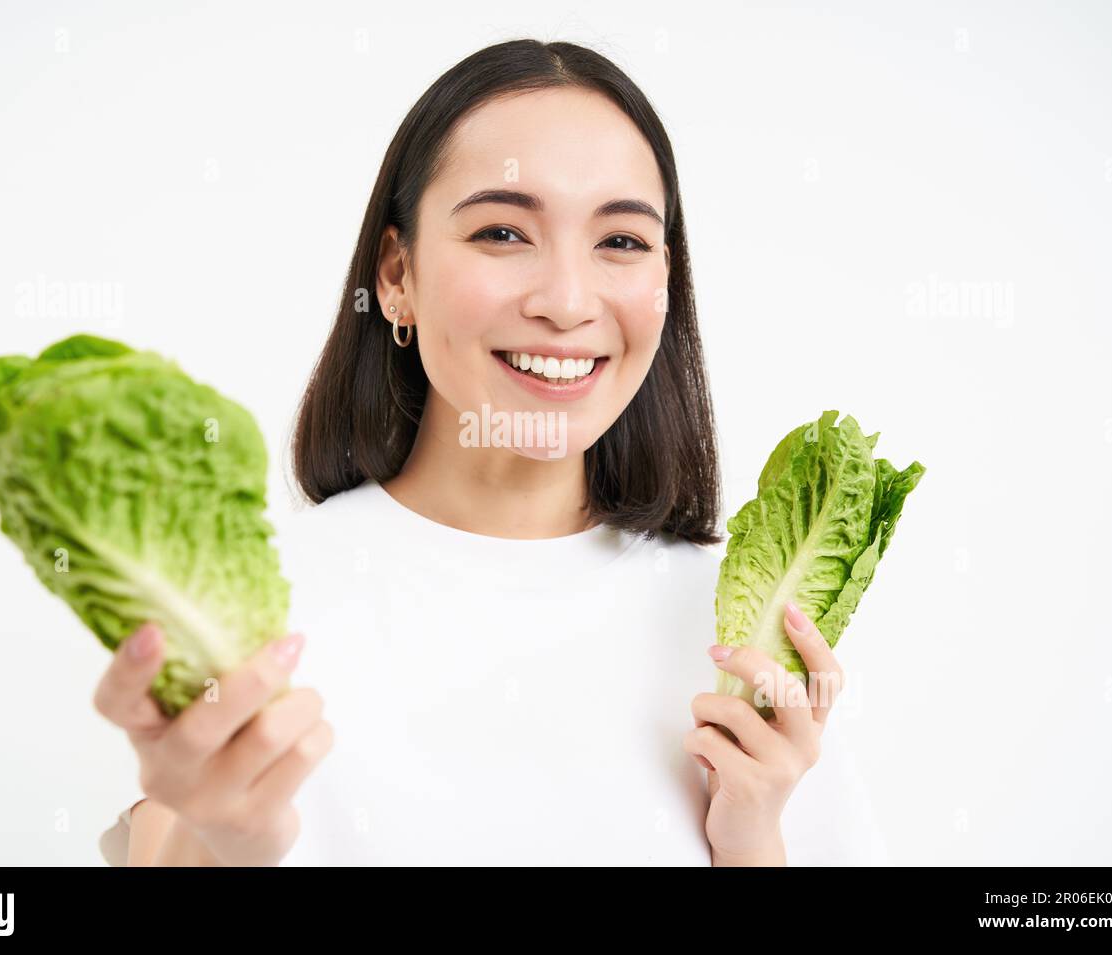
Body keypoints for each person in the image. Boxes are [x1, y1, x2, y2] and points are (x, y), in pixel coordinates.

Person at [94, 37, 891, 867]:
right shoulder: (245, 610)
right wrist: (222, 844)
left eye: (620, 242)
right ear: (396, 274)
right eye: (504, 232)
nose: (567, 302)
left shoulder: (744, 640)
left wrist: (751, 842)